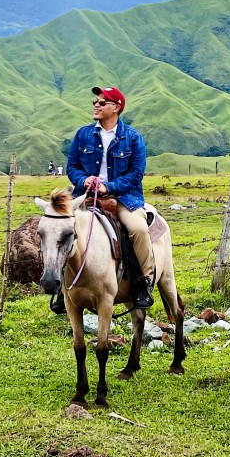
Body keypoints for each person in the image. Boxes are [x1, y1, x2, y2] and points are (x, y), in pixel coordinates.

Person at [60, 85, 155, 311]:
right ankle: (62, 286)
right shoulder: (83, 134)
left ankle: (144, 282)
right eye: (95, 101)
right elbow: (72, 166)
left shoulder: (133, 138)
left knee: (138, 229)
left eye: (102, 102)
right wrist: (84, 181)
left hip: (122, 197)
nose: (96, 105)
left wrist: (107, 186)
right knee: (59, 228)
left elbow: (136, 173)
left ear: (116, 107)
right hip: (84, 196)